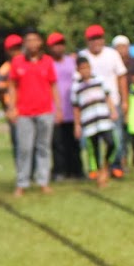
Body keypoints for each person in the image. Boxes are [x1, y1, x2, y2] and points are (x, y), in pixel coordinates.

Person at [5, 29, 60, 195]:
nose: (32, 43)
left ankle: (43, 181)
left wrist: (58, 108)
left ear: (40, 42)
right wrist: (12, 108)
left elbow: (53, 86)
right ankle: (22, 183)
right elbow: (12, 86)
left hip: (45, 110)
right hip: (24, 112)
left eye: (35, 40)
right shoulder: (17, 62)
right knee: (24, 148)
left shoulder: (48, 61)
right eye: (28, 40)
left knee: (43, 147)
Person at [80, 25, 130, 176]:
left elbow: (121, 78)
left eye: (98, 38)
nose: (96, 42)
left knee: (116, 137)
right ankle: (95, 168)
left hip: (112, 103)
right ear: (87, 41)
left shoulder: (112, 54)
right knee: (92, 139)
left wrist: (124, 100)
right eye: (92, 39)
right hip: (91, 106)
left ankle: (115, 166)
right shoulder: (83, 56)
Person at [72, 54, 117, 186]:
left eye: (87, 67)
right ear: (78, 70)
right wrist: (77, 125)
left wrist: (113, 110)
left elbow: (108, 97)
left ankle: (106, 166)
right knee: (94, 149)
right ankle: (97, 173)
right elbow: (76, 108)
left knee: (112, 143)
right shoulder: (76, 87)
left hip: (103, 119)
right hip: (89, 122)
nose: (85, 70)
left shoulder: (99, 80)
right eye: (82, 68)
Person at [47, 32, 82, 180]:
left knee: (73, 142)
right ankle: (60, 171)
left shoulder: (71, 61)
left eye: (61, 44)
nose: (59, 47)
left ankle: (76, 170)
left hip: (71, 107)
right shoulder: (48, 62)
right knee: (57, 143)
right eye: (55, 44)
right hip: (54, 107)